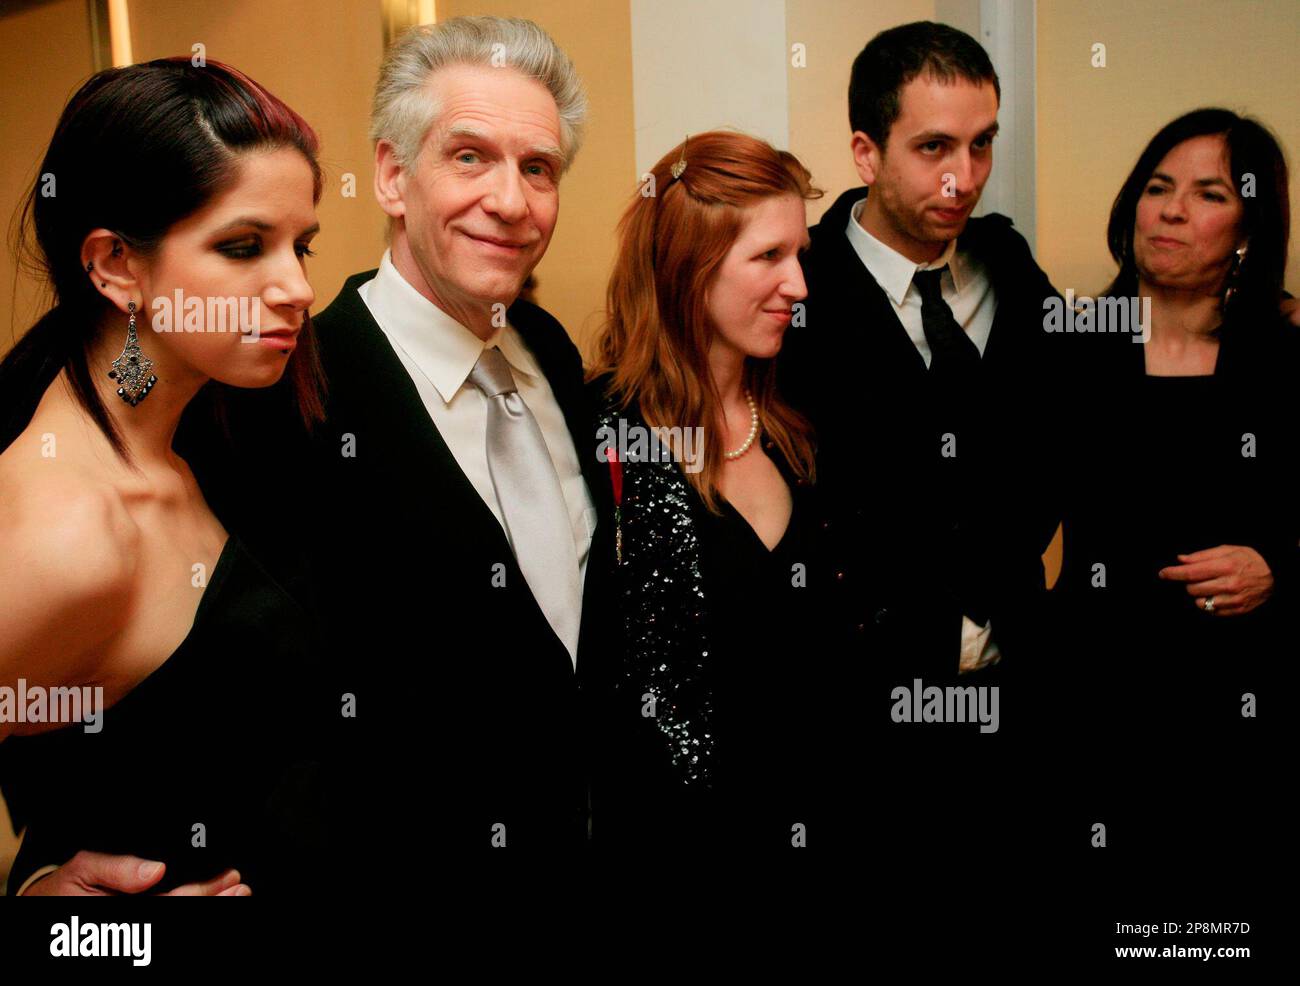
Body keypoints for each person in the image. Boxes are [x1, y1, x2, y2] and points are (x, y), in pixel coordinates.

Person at [0, 58, 328, 895]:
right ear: (115, 266)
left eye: (301, 245)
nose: (296, 287)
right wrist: (45, 903)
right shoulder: (71, 530)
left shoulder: (198, 416)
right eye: (243, 247)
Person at [779, 21, 1065, 853]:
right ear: (866, 153)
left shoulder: (1005, 260)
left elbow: (1071, 407)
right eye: (935, 146)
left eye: (982, 146)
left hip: (1013, 693)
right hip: (865, 720)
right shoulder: (801, 288)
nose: (963, 177)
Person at [586, 131, 845, 849]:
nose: (798, 285)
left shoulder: (799, 428)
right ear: (687, 270)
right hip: (673, 846)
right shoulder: (604, 438)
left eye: (800, 256)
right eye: (768, 257)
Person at [1050, 109, 1297, 853]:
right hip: (1094, 696)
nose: (1173, 208)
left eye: (1209, 194)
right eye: (1158, 186)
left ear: (1250, 227)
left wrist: (1278, 567)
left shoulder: (1286, 359)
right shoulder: (1068, 346)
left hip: (1242, 699)